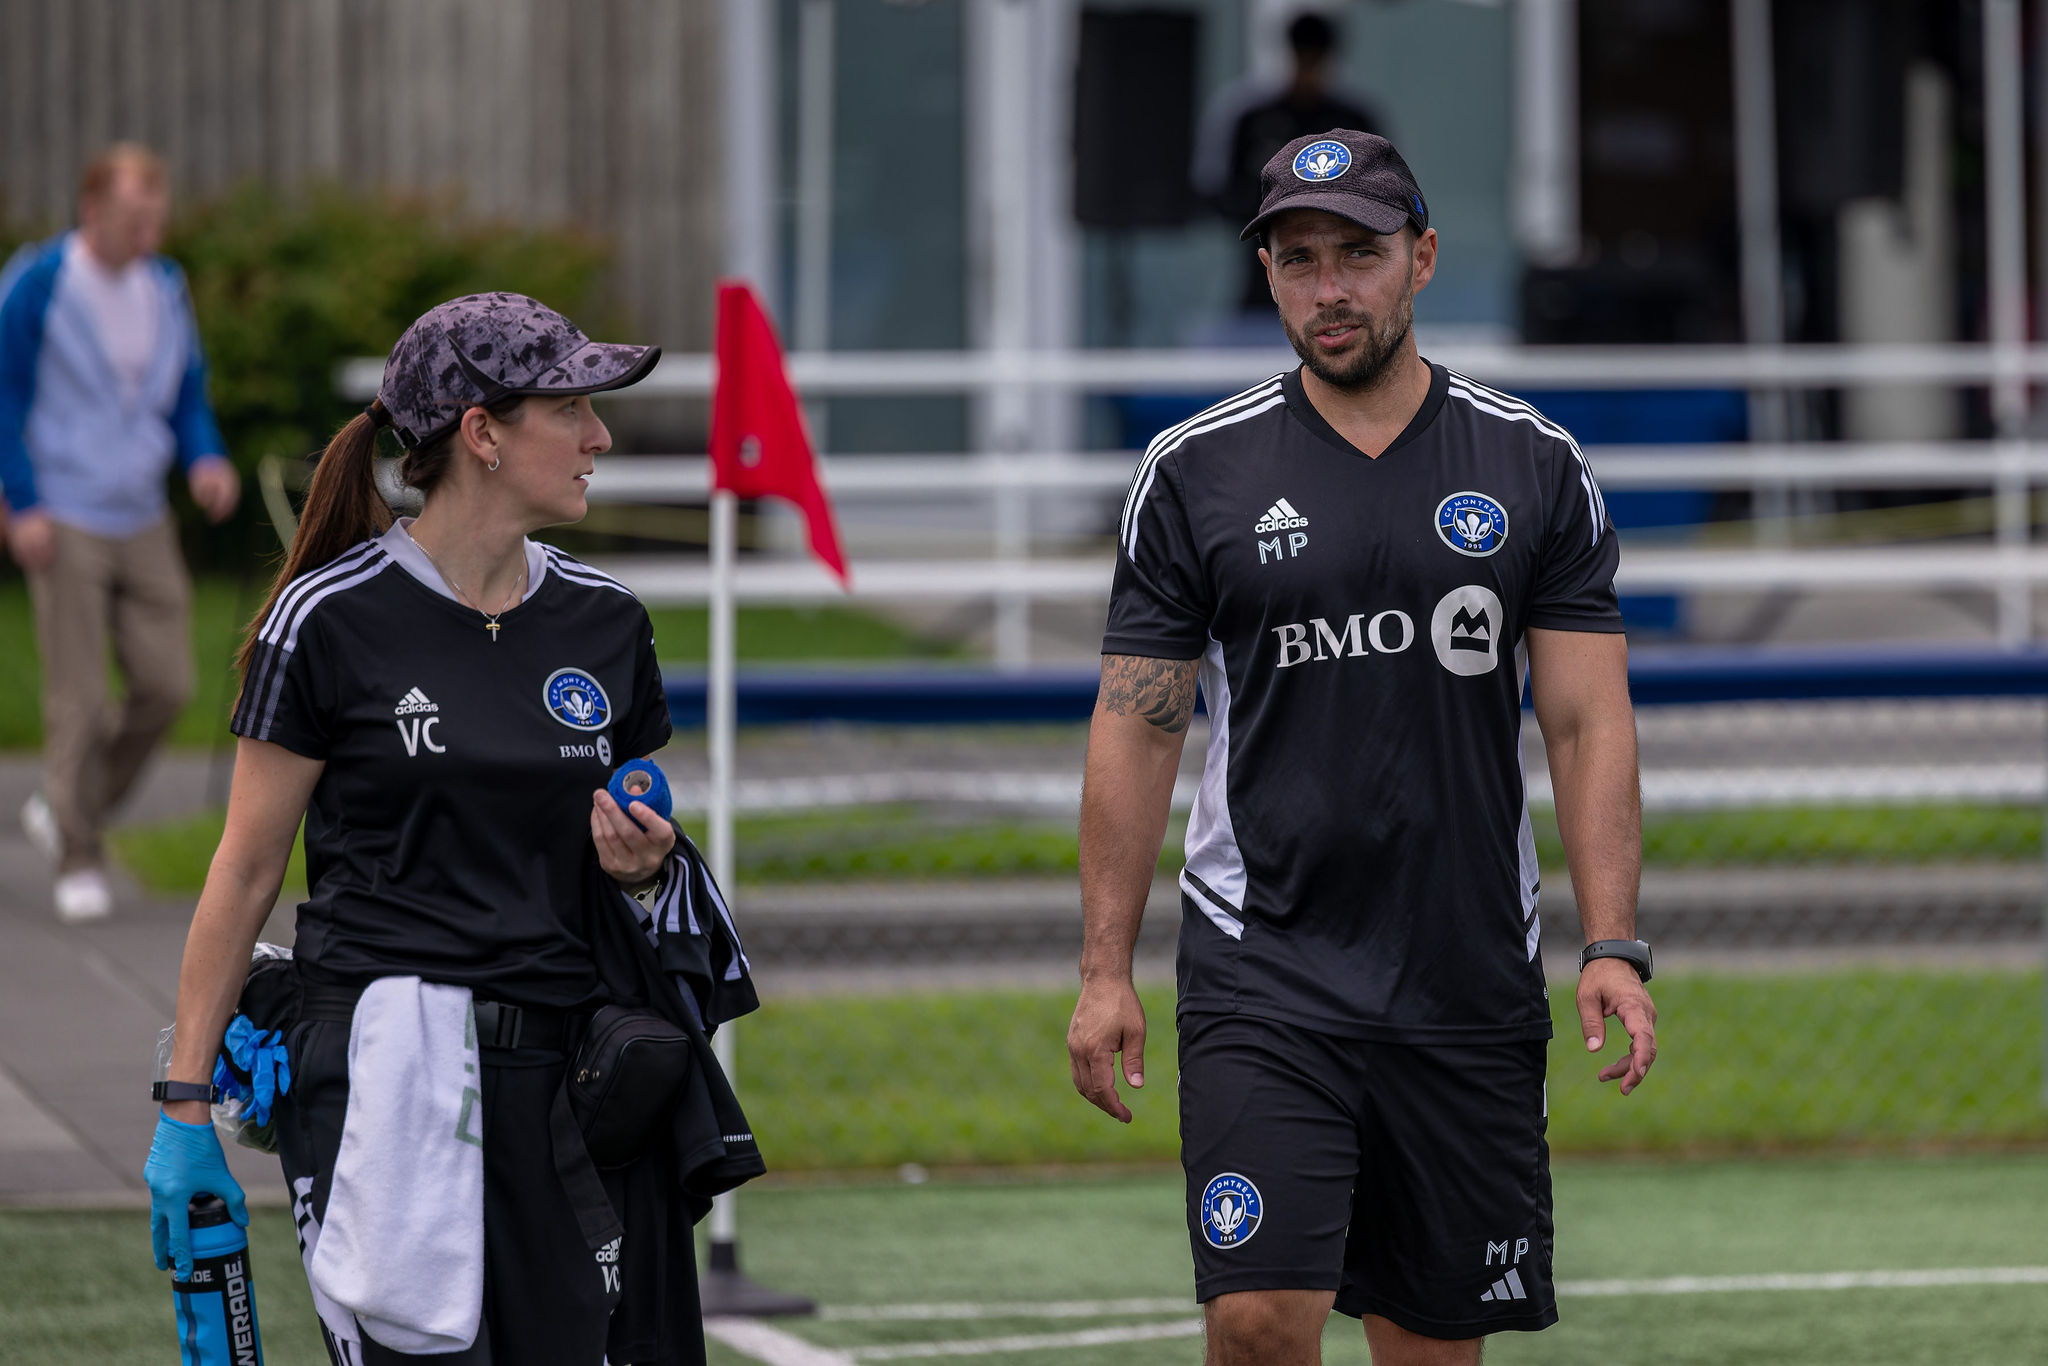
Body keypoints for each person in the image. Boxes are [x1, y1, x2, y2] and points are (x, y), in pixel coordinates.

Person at [1067, 130, 1657, 1366]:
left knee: (1426, 1345)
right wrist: (1103, 968)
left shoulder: (1531, 463)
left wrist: (1610, 942)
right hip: (1262, 961)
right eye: (1296, 260)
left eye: (1357, 255)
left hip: (1463, 972)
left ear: (1421, 260)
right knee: (1256, 1319)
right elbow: (1135, 724)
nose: (1327, 288)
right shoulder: (1192, 472)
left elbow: (1586, 720)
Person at [143, 293, 758, 1366]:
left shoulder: (607, 622)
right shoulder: (326, 618)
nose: (599, 437)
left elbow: (630, 846)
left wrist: (643, 868)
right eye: (569, 408)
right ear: (482, 432)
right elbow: (243, 874)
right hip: (382, 1072)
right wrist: (183, 1107)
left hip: (566, 1084)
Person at [0, 142, 241, 923]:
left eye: (157, 220)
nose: (150, 235)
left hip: (142, 510)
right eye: (136, 220)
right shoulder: (40, 283)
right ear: (92, 210)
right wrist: (21, 501)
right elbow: (4, 395)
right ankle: (78, 850)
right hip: (62, 508)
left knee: (167, 683)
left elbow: (187, 390)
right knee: (80, 697)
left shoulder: (164, 286)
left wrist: (206, 458)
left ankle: (66, 802)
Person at [1192, 12, 1387, 314]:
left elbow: (1384, 194)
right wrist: (1277, 215)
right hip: (1265, 271)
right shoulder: (1254, 120)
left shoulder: (1353, 121)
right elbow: (1218, 192)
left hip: (1344, 270)